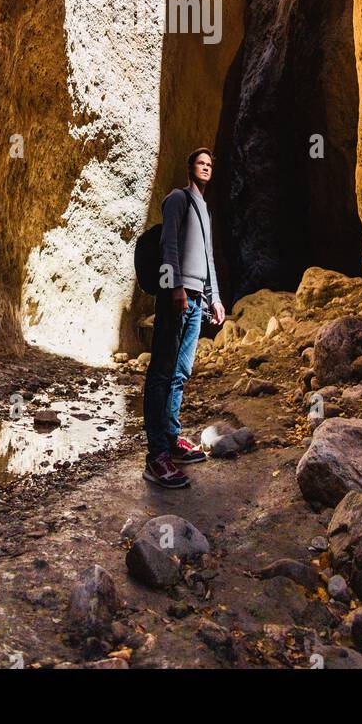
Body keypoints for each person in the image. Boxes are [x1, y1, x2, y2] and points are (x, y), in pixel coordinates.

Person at [142, 147, 226, 487]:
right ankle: (156, 456)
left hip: (196, 298)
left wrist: (215, 298)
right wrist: (175, 288)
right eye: (200, 163)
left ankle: (173, 439)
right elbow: (169, 246)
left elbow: (208, 258)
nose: (205, 168)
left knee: (180, 371)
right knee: (161, 372)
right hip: (175, 296)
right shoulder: (177, 198)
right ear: (189, 168)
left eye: (209, 164)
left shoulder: (205, 209)